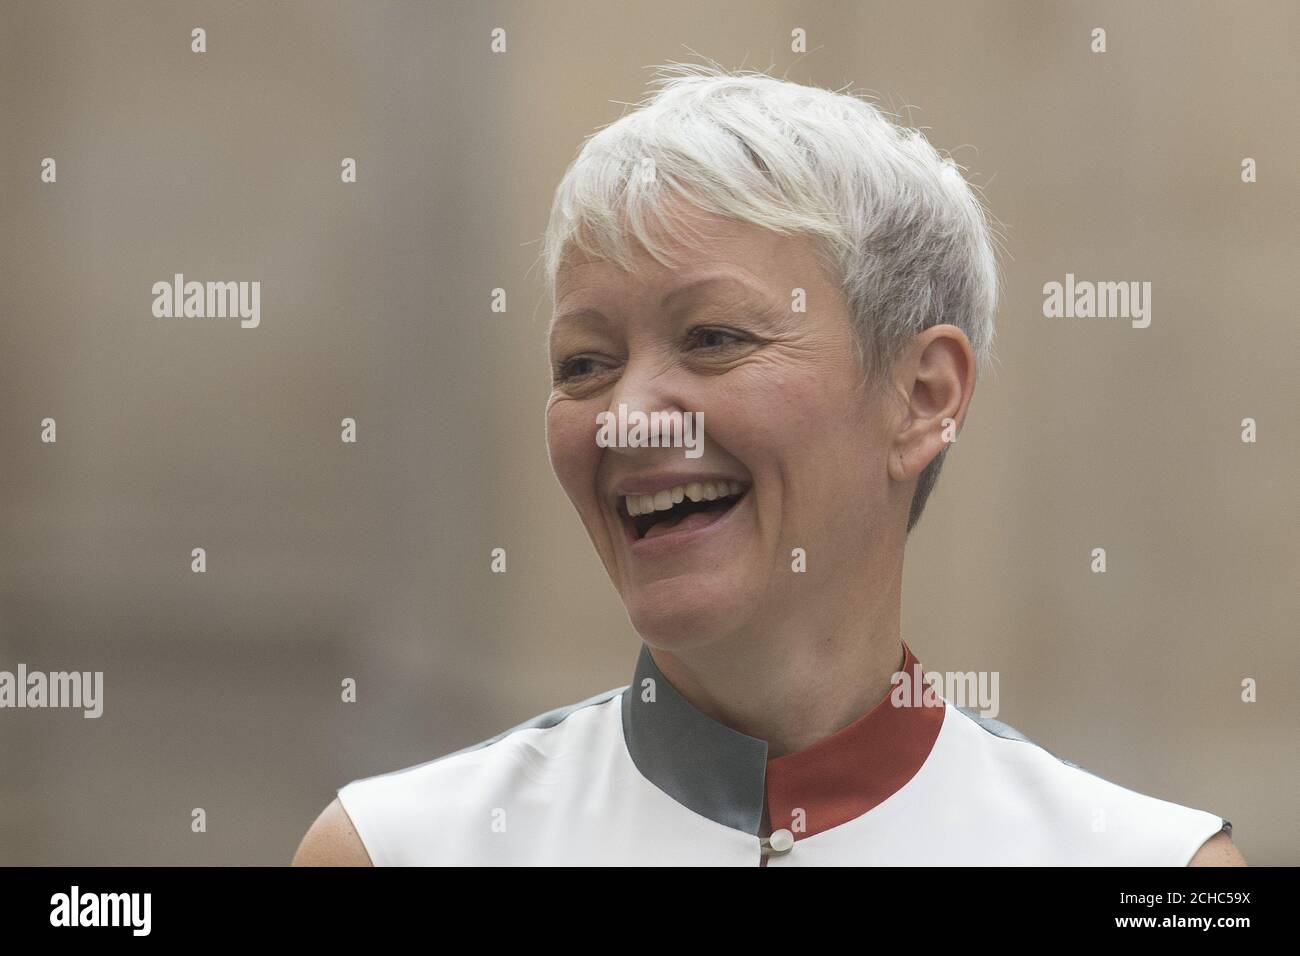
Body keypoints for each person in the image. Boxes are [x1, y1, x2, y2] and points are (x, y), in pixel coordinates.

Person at [294, 63, 1244, 866]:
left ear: (922, 397)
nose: (628, 419)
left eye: (711, 338)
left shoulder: (1156, 871)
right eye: (584, 364)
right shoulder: (393, 852)